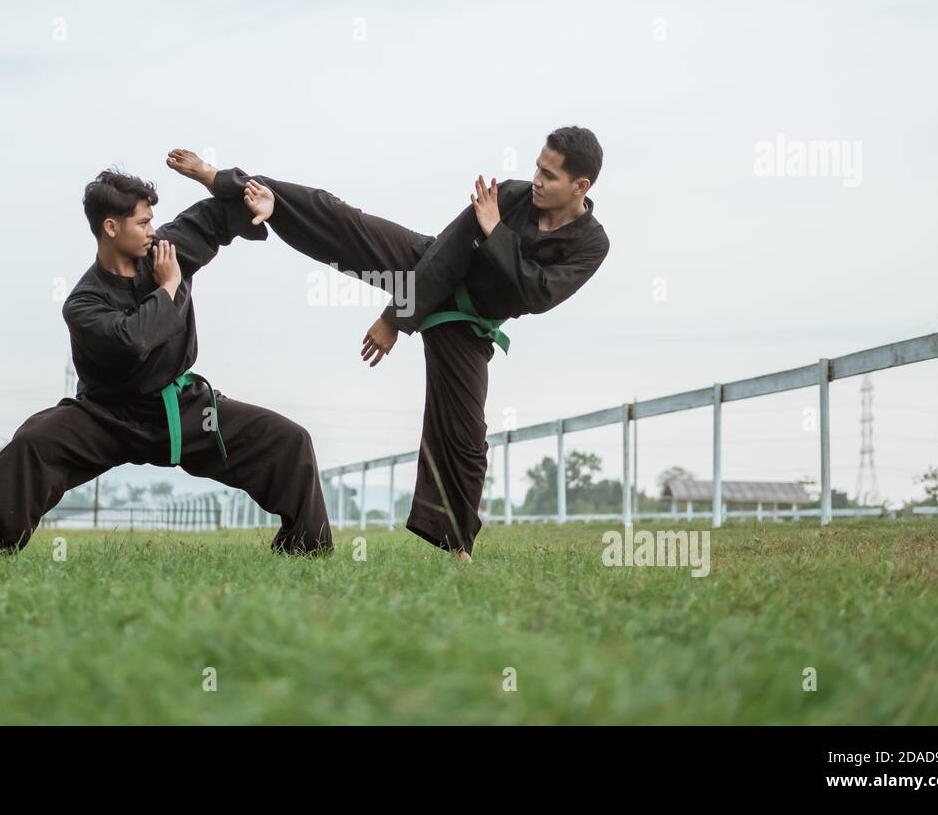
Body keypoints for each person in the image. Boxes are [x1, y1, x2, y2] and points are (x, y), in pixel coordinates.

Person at [166, 126, 609, 560]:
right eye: (538, 167)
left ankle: (458, 548)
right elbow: (451, 250)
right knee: (345, 221)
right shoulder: (510, 195)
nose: (537, 179)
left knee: (465, 435)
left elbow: (535, 295)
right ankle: (253, 193)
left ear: (580, 185)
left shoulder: (590, 243)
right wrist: (395, 317)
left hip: (468, 324)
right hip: (429, 269)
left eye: (549, 175)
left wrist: (496, 233)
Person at [0, 167, 333, 556]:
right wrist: (168, 287)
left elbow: (221, 212)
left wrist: (210, 174)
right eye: (143, 222)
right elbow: (133, 340)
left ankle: (306, 550)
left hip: (183, 409)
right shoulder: (83, 303)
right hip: (108, 416)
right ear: (111, 227)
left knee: (289, 440)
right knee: (32, 442)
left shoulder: (168, 248)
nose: (153, 230)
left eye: (152, 221)